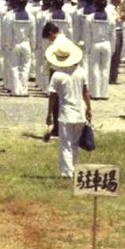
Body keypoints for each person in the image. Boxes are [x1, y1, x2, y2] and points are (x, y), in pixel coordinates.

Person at [45, 37, 90, 178]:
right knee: (75, 144)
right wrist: (89, 108)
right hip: (80, 112)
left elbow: (52, 97)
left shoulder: (57, 75)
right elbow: (85, 92)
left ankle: (66, 173)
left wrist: (48, 115)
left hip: (65, 114)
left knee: (65, 144)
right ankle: (75, 170)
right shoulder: (81, 72)